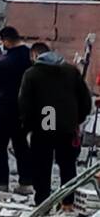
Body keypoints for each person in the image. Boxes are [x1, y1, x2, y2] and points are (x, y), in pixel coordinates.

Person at [19, 42, 93, 208]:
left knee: (42, 165)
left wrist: (28, 126)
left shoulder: (32, 74)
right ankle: (68, 202)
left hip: (45, 123)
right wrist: (77, 119)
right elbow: (85, 100)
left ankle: (42, 202)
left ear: (35, 56)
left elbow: (25, 104)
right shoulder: (71, 71)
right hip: (67, 126)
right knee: (68, 165)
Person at [0, 27, 34, 193]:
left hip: (7, 107)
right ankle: (26, 182)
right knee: (21, 145)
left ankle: (1, 180)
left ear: (6, 40)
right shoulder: (30, 56)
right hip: (26, 108)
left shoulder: (6, 61)